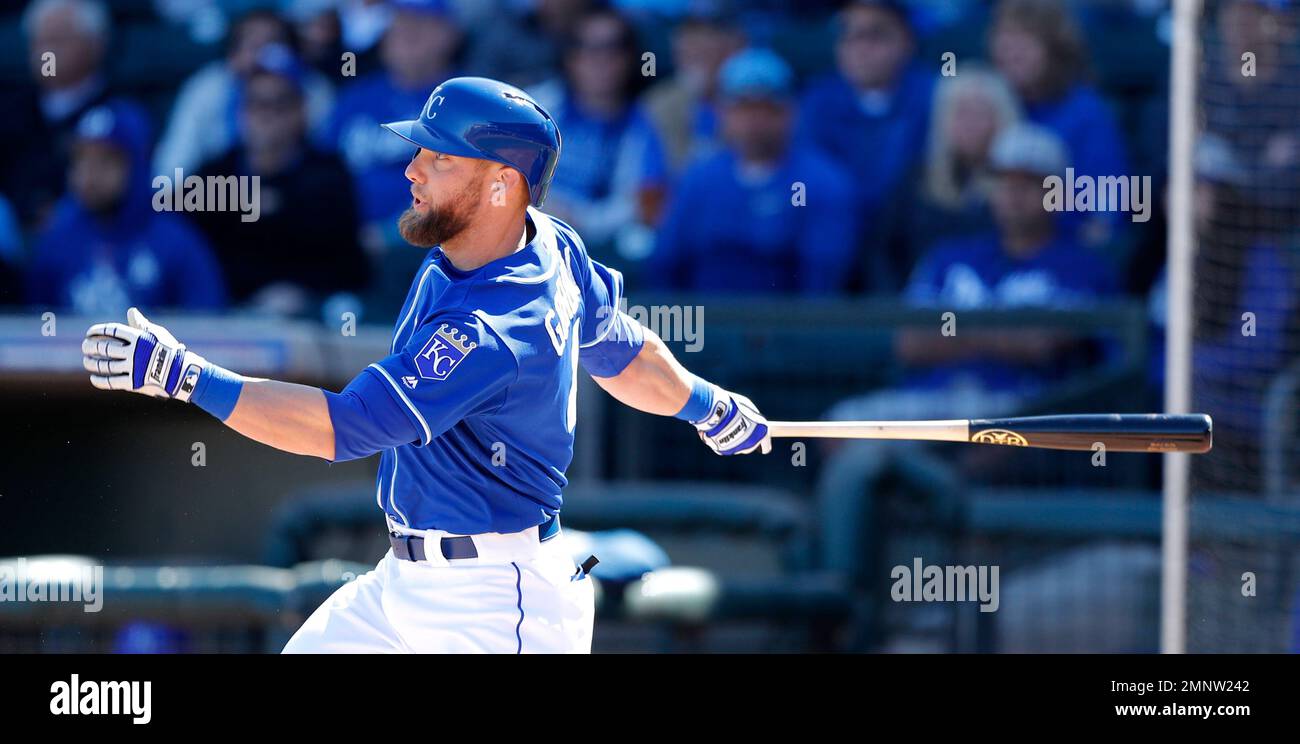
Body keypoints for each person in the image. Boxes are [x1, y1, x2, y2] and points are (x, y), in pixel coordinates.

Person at [79, 77, 771, 654]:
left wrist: (185, 376)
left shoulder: (494, 326)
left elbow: (341, 429)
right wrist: (706, 403)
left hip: (495, 609)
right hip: (402, 586)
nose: (412, 169)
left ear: (502, 186)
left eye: (440, 159)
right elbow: (619, 348)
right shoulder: (549, 243)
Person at [651, 48, 858, 294]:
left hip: (785, 326)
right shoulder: (700, 178)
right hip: (706, 324)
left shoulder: (821, 182)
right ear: (722, 113)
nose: (754, 121)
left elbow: (821, 280)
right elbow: (665, 264)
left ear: (790, 113)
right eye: (743, 108)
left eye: (767, 109)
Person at [191, 45, 368, 317]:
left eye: (280, 104)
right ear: (241, 112)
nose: (266, 115)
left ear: (300, 111)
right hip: (224, 318)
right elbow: (190, 260)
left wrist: (306, 294)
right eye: (256, 103)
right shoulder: (212, 175)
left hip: (309, 318)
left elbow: (351, 267)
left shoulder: (330, 176)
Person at [322, 0, 462, 313]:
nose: (408, 31)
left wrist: (389, 235)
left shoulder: (464, 101)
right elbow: (320, 172)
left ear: (449, 35)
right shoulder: (355, 98)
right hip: (344, 246)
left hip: (423, 252)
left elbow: (464, 190)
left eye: (422, 23)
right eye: (400, 21)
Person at [27, 101, 226, 316]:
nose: (88, 175)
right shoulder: (58, 237)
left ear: (138, 165)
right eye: (81, 159)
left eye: (105, 161)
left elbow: (208, 327)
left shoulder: (176, 242)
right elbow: (30, 326)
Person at [528, 7, 668, 264]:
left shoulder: (644, 123)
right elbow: (502, 173)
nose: (600, 60)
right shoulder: (534, 106)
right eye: (588, 48)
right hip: (532, 234)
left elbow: (643, 202)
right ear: (570, 58)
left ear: (629, 59)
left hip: (604, 251)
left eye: (612, 49)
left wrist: (583, 220)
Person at [988, 0, 1130, 247]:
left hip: (1063, 251)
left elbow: (1107, 215)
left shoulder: (1088, 115)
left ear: (1055, 50)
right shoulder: (990, 105)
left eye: (1026, 39)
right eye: (1006, 38)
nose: (1013, 51)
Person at [869, 66, 1021, 291]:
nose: (970, 123)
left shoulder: (1023, 187)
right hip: (921, 309)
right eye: (961, 112)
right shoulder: (916, 181)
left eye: (981, 113)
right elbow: (881, 252)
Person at [797, 0, 935, 234]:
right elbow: (810, 181)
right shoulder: (817, 101)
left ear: (907, 41)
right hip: (837, 234)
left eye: (875, 35)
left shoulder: (933, 97)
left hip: (909, 235)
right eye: (849, 35)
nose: (860, 47)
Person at [153, 7, 336, 176]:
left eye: (272, 44)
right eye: (251, 44)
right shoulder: (207, 88)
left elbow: (327, 153)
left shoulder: (314, 89)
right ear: (232, 55)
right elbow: (172, 169)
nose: (261, 55)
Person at [0, 0, 113, 230]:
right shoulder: (9, 111)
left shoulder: (116, 113)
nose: (46, 54)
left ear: (96, 44)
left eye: (58, 41)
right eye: (39, 42)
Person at [642, 2, 746, 174]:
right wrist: (690, 101)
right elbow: (670, 170)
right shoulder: (658, 102)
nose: (695, 64)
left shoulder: (748, 100)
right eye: (687, 54)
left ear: (730, 51)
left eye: (704, 53)